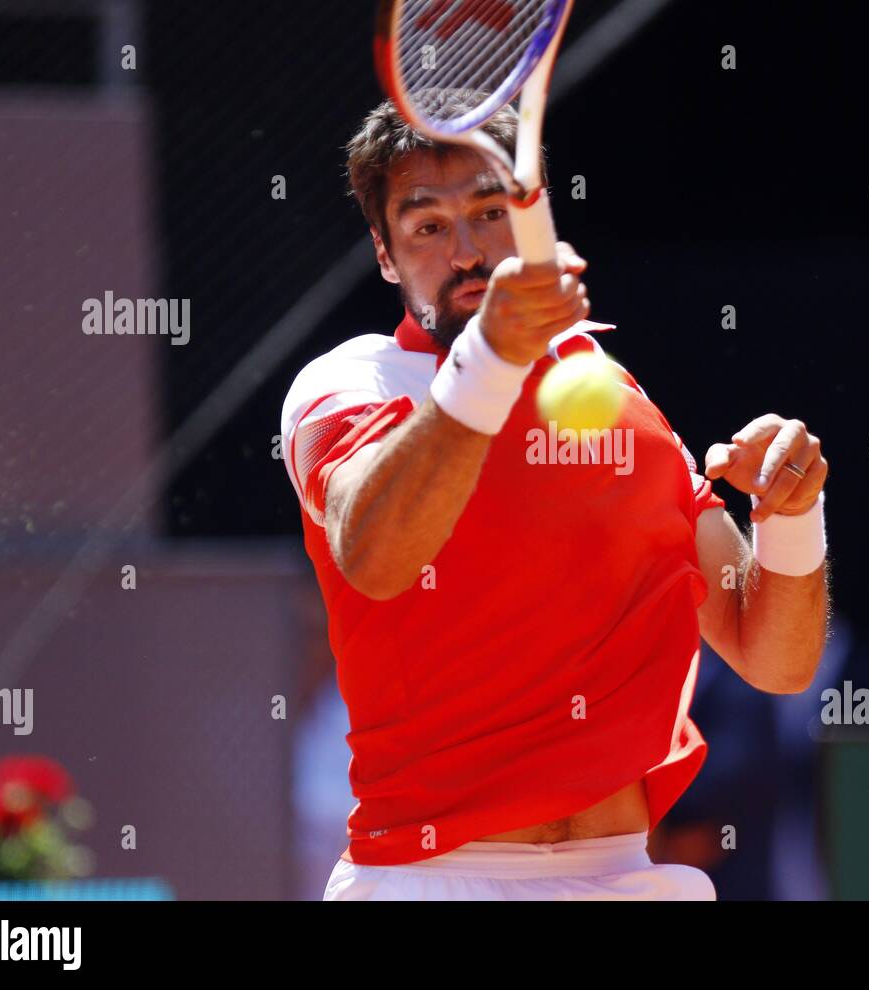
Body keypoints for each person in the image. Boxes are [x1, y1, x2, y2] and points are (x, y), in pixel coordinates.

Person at [279, 89, 832, 900]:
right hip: (432, 880)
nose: (465, 251)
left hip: (627, 875)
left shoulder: (616, 396)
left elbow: (774, 657)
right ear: (387, 255)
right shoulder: (351, 385)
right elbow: (374, 553)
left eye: (489, 212)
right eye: (427, 226)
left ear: (535, 222)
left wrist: (792, 514)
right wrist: (493, 359)